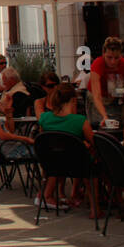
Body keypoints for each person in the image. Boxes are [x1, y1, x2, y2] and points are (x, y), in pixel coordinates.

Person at [38, 82, 96, 213]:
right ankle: (95, 207)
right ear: (73, 100)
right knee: (94, 163)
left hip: (53, 165)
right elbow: (94, 143)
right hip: (78, 166)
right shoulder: (80, 121)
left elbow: (45, 140)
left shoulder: (44, 118)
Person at [88, 36, 124, 125]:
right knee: (101, 124)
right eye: (109, 57)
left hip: (117, 97)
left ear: (121, 55)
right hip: (99, 97)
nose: (113, 62)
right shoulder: (97, 64)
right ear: (103, 54)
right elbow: (96, 96)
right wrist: (104, 116)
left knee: (120, 123)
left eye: (116, 58)